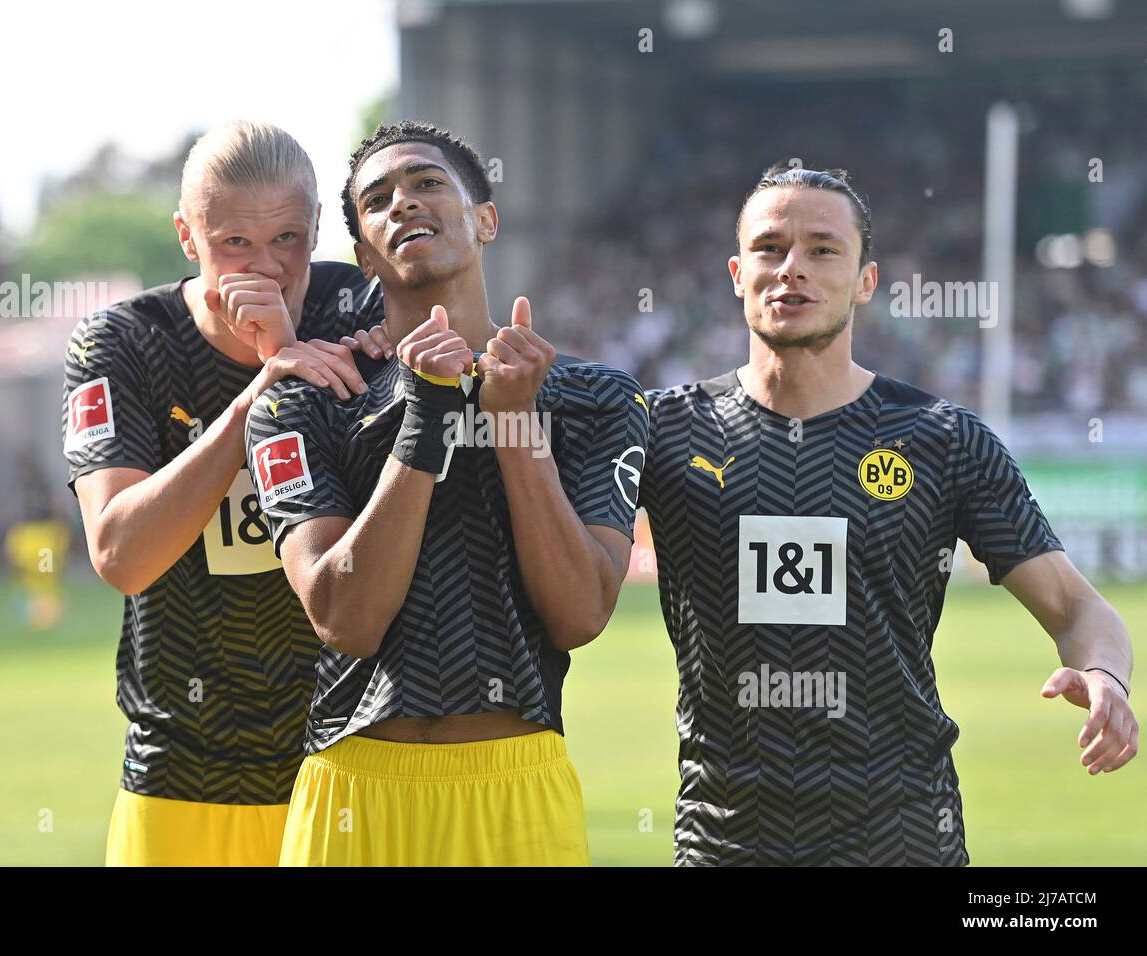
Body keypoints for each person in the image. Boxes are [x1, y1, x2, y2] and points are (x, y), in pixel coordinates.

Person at [640, 163, 1138, 866]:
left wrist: (1107, 677)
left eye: (822, 249)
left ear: (865, 280)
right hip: (724, 840)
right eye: (769, 248)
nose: (791, 269)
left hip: (903, 838)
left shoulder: (942, 437)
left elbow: (1077, 609)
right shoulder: (665, 429)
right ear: (735, 272)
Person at [245, 121, 649, 866]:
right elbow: (345, 617)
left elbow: (580, 612)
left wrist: (515, 424)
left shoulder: (595, 398)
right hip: (353, 789)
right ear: (364, 256)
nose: (403, 202)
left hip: (515, 789)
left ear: (485, 218)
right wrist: (426, 419)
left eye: (428, 183)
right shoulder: (308, 400)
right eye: (378, 200)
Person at [63, 120, 391, 866]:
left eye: (287, 239)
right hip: (182, 772)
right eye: (233, 243)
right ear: (187, 236)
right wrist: (258, 399)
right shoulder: (123, 341)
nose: (268, 269)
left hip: (345, 768)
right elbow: (120, 554)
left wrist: (400, 362)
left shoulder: (363, 312)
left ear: (316, 229)